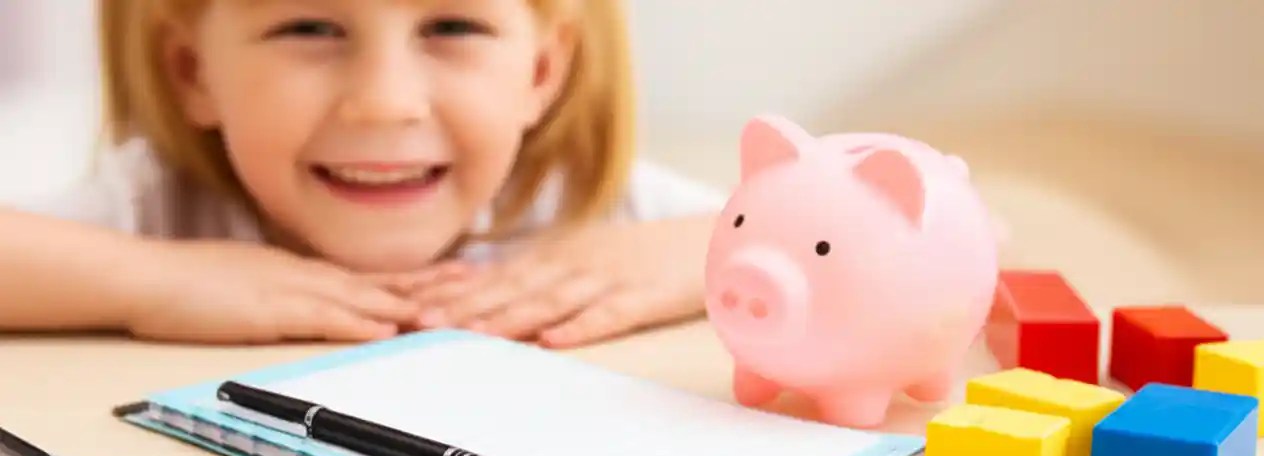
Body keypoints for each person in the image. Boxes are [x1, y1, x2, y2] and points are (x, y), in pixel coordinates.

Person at [0, 0, 726, 347]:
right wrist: (154, 281)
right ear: (194, 72)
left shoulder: (578, 204)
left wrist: (701, 252)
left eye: (452, 28)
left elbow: (829, 223)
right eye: (309, 29)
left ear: (541, 70)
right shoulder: (160, 209)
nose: (384, 102)